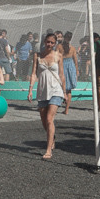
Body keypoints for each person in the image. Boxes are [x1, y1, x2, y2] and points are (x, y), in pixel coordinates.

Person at [26, 32, 65, 160]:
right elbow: (33, 74)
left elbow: (62, 75)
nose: (49, 44)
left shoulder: (58, 56)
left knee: (49, 119)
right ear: (44, 42)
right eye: (48, 42)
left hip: (55, 90)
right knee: (44, 121)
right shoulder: (37, 56)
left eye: (52, 42)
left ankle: (48, 150)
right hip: (42, 91)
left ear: (55, 44)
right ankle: (51, 137)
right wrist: (30, 89)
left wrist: (64, 92)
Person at [60, 32, 78, 114]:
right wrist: (76, 70)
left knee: (61, 87)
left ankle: (57, 106)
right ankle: (66, 110)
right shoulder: (73, 48)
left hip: (63, 65)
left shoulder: (60, 47)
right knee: (69, 90)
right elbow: (75, 60)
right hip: (70, 66)